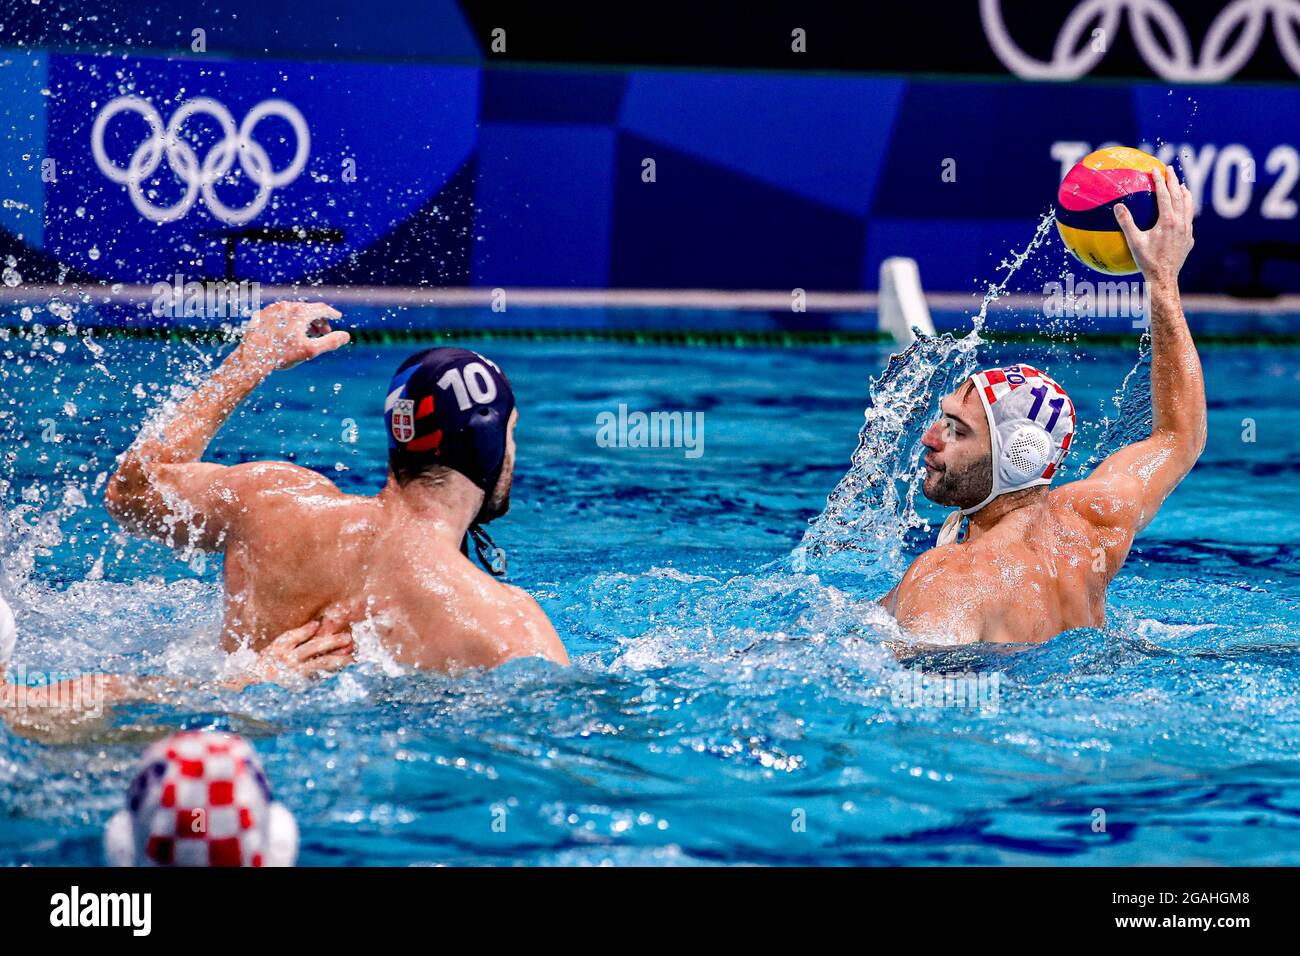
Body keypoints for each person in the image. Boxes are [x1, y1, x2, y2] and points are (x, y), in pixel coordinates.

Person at [105, 305, 567, 672]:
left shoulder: (273, 502)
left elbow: (130, 493)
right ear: (486, 443)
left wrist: (248, 364)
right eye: (511, 434)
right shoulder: (507, 626)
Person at [882, 166, 1205, 644]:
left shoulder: (949, 580)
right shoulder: (1093, 523)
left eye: (958, 429)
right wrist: (1163, 279)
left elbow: (916, 698)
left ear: (1020, 457)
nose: (930, 437)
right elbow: (1178, 437)